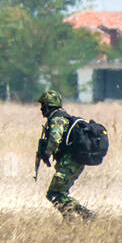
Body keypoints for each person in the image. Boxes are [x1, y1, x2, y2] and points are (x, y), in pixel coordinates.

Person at [35, 88, 95, 221]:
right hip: (72, 161)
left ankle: (86, 214)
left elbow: (55, 139)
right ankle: (68, 219)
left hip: (70, 162)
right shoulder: (61, 117)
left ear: (49, 106)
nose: (41, 109)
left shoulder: (57, 119)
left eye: (43, 106)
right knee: (60, 193)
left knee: (53, 193)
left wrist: (46, 153)